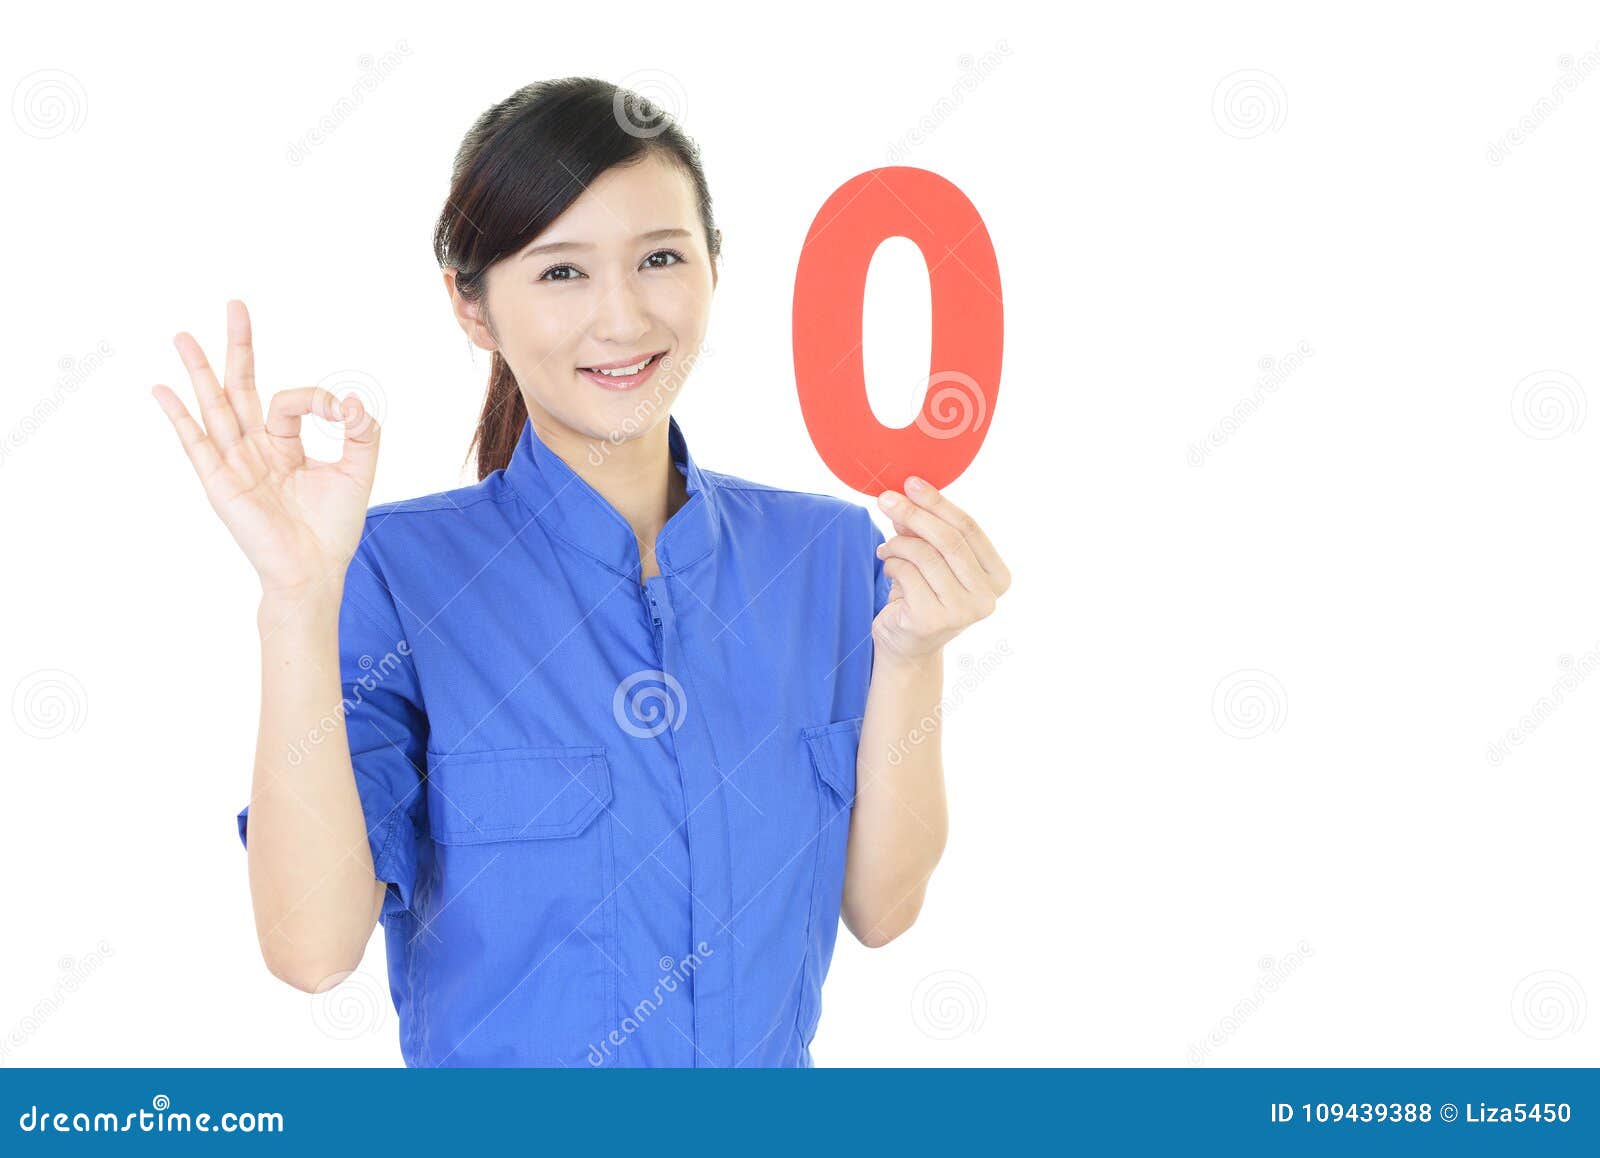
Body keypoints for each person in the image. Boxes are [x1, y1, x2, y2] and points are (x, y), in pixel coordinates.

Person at [151, 77, 1010, 1067]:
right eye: (561, 273)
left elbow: (882, 908)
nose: (623, 317)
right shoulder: (393, 572)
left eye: (659, 259)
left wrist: (912, 657)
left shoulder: (824, 557)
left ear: (714, 268)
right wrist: (297, 603)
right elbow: (311, 950)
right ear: (471, 308)